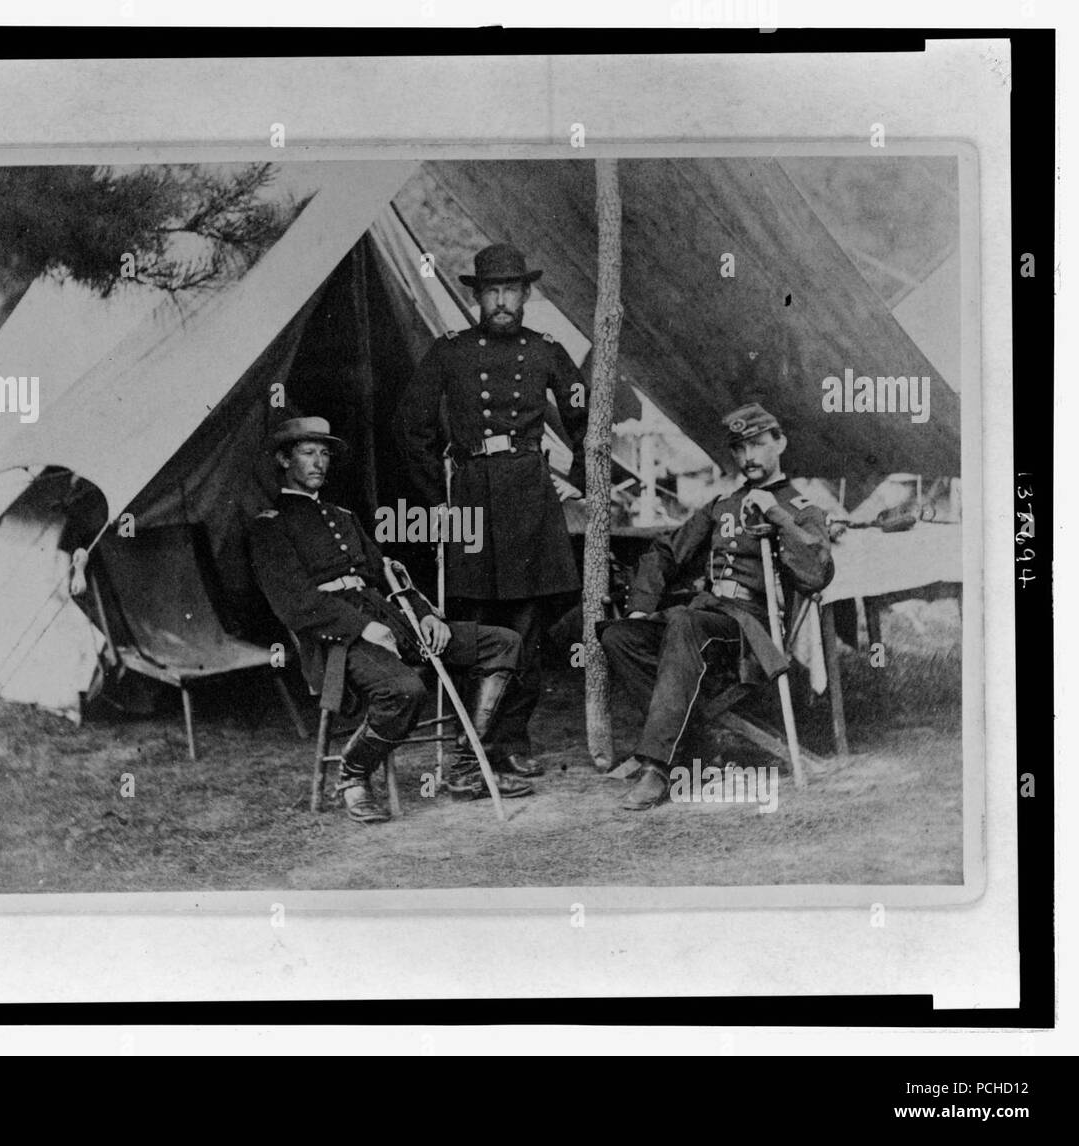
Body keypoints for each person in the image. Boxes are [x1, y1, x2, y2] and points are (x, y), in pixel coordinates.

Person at [247, 417, 536, 825]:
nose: (319, 463)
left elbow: (388, 573)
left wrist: (424, 614)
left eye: (324, 453)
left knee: (503, 643)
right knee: (404, 690)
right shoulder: (270, 527)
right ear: (283, 460)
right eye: (308, 453)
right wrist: (361, 627)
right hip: (336, 641)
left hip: (391, 619)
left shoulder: (342, 515)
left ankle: (468, 767)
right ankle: (353, 775)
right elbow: (295, 603)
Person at [395, 243, 587, 779]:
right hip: (473, 493)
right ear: (477, 296)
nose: (501, 301)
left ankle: (513, 736)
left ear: (526, 294)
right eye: (491, 292)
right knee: (474, 620)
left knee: (527, 624)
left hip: (529, 490)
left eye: (510, 291)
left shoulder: (547, 350)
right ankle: (470, 738)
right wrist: (440, 501)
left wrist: (578, 480)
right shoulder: (450, 351)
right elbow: (411, 427)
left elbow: (582, 412)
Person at [597, 403, 834, 810]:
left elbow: (815, 573)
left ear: (780, 442)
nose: (749, 458)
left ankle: (658, 767)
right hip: (707, 619)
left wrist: (776, 515)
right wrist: (639, 606)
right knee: (619, 635)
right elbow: (664, 552)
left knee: (685, 624)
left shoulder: (801, 507)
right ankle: (688, 747)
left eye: (758, 445)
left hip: (752, 631)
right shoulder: (722, 503)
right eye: (739, 449)